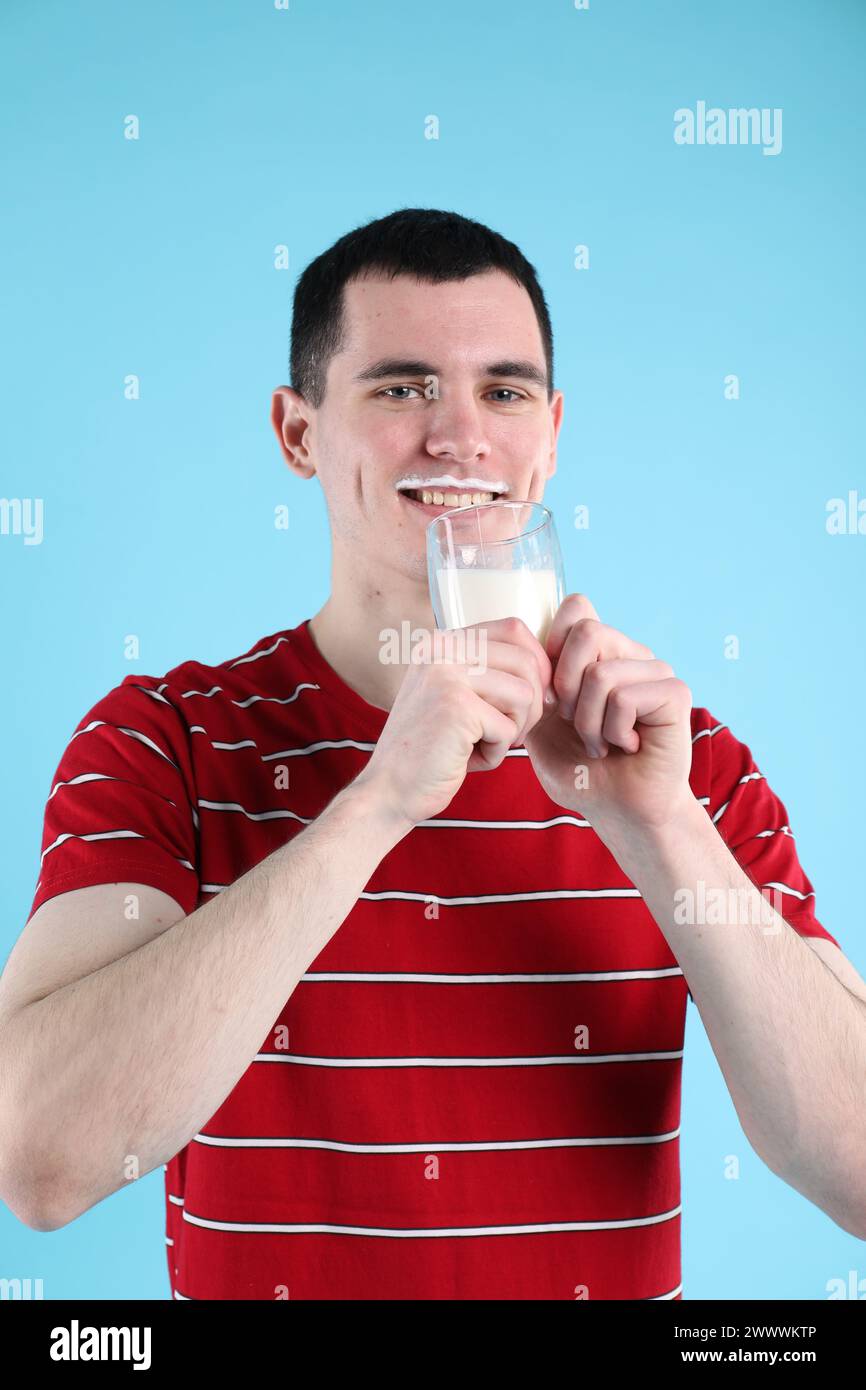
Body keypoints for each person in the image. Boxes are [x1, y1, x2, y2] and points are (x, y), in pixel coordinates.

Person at [2, 208, 865, 1301]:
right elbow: (40, 1165)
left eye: (503, 392)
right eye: (403, 388)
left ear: (551, 433)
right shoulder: (164, 740)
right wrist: (375, 805)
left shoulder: (683, 765)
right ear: (297, 433)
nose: (459, 436)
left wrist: (658, 826)